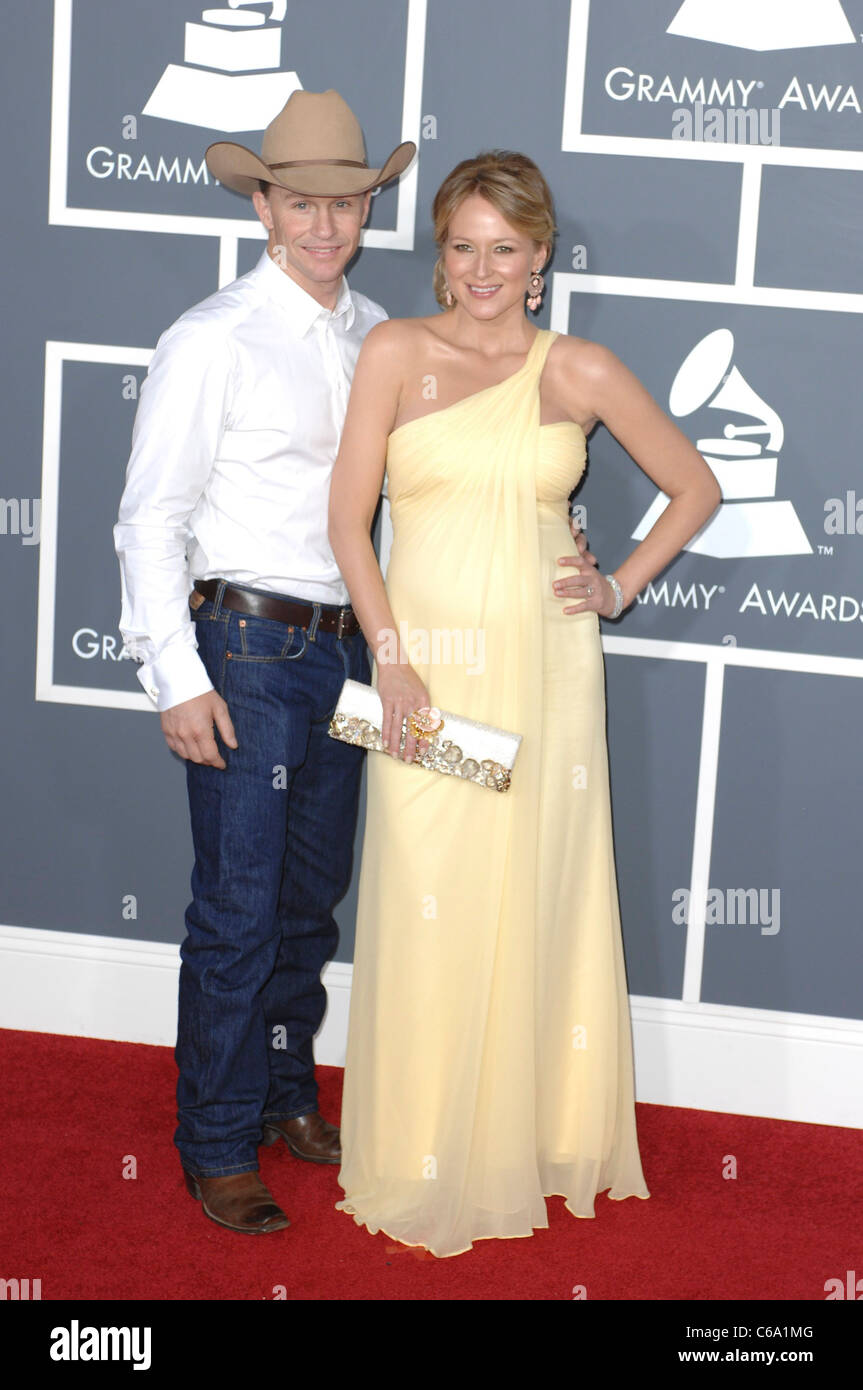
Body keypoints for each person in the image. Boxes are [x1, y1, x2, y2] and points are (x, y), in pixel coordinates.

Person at [328, 149, 721, 1258]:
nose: (483, 268)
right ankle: (422, 1147)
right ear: (439, 257)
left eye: (506, 249)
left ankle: (532, 1137)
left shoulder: (578, 371)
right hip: (426, 674)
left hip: (547, 673)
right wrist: (390, 658)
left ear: (539, 260)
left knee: (535, 890)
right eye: (462, 247)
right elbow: (347, 521)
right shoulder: (396, 354)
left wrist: (616, 585)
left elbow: (694, 486)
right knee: (426, 892)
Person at [113, 90, 417, 1234]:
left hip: (342, 657)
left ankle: (288, 1090)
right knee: (238, 908)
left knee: (309, 902)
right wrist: (174, 676)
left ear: (365, 207)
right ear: (261, 202)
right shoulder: (211, 338)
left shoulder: (379, 330)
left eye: (344, 202)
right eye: (302, 202)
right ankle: (215, 1137)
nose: (325, 224)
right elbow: (150, 517)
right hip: (240, 649)